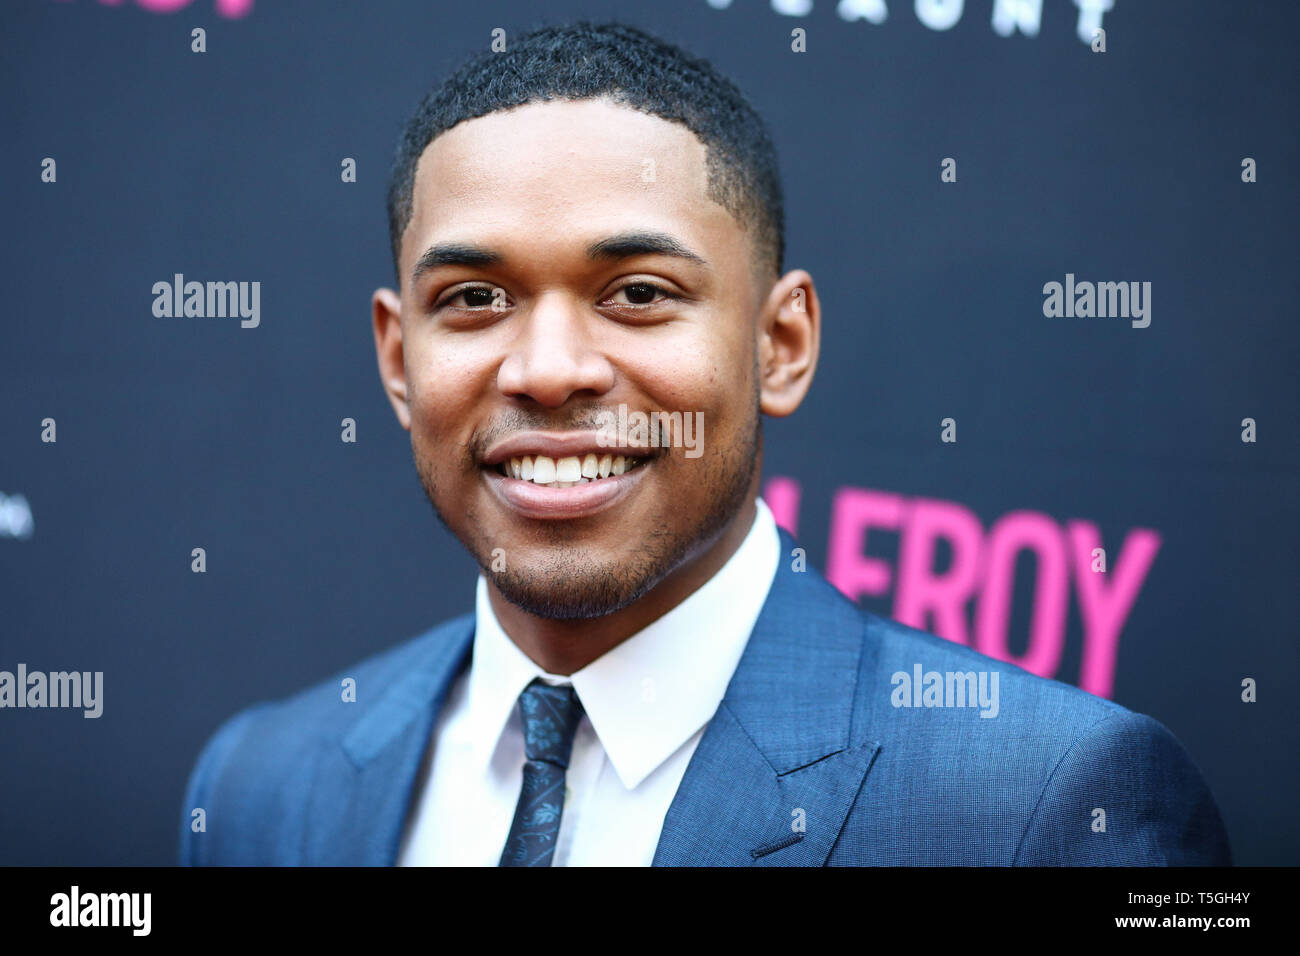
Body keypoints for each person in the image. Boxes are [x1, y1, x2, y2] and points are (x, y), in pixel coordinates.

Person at [179, 20, 1230, 866]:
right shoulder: (259, 787)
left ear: (780, 344)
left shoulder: (1044, 803)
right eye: (475, 298)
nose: (548, 368)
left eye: (637, 293)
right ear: (398, 359)